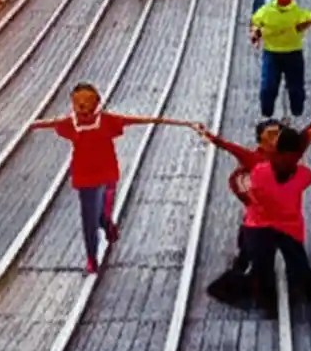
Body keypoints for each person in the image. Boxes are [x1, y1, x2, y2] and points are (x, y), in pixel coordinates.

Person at [26, 83, 200, 274]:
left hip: (107, 173)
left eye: (87, 101)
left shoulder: (107, 120)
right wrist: (32, 124)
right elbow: (50, 123)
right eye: (78, 102)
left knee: (101, 212)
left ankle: (107, 224)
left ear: (96, 102)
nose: (82, 105)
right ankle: (92, 258)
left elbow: (143, 120)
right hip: (85, 178)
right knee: (89, 219)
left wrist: (182, 123)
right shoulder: (71, 123)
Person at [195, 109, 311, 274]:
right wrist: (208, 135)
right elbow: (229, 147)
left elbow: (306, 135)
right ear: (260, 140)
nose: (274, 139)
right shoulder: (254, 158)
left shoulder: (290, 152)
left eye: (277, 134)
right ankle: (245, 261)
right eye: (270, 135)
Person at [239, 128, 311, 319]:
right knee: (265, 265)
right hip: (267, 228)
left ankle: (291, 289)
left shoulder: (265, 173)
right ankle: (268, 293)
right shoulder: (302, 176)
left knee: (297, 267)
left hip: (278, 228)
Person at [251, 0, 311, 118]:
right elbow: (256, 22)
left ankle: (297, 111)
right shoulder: (267, 11)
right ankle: (266, 112)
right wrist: (255, 34)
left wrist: (298, 29)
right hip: (272, 52)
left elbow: (309, 18)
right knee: (269, 85)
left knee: (295, 86)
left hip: (293, 52)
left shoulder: (296, 11)